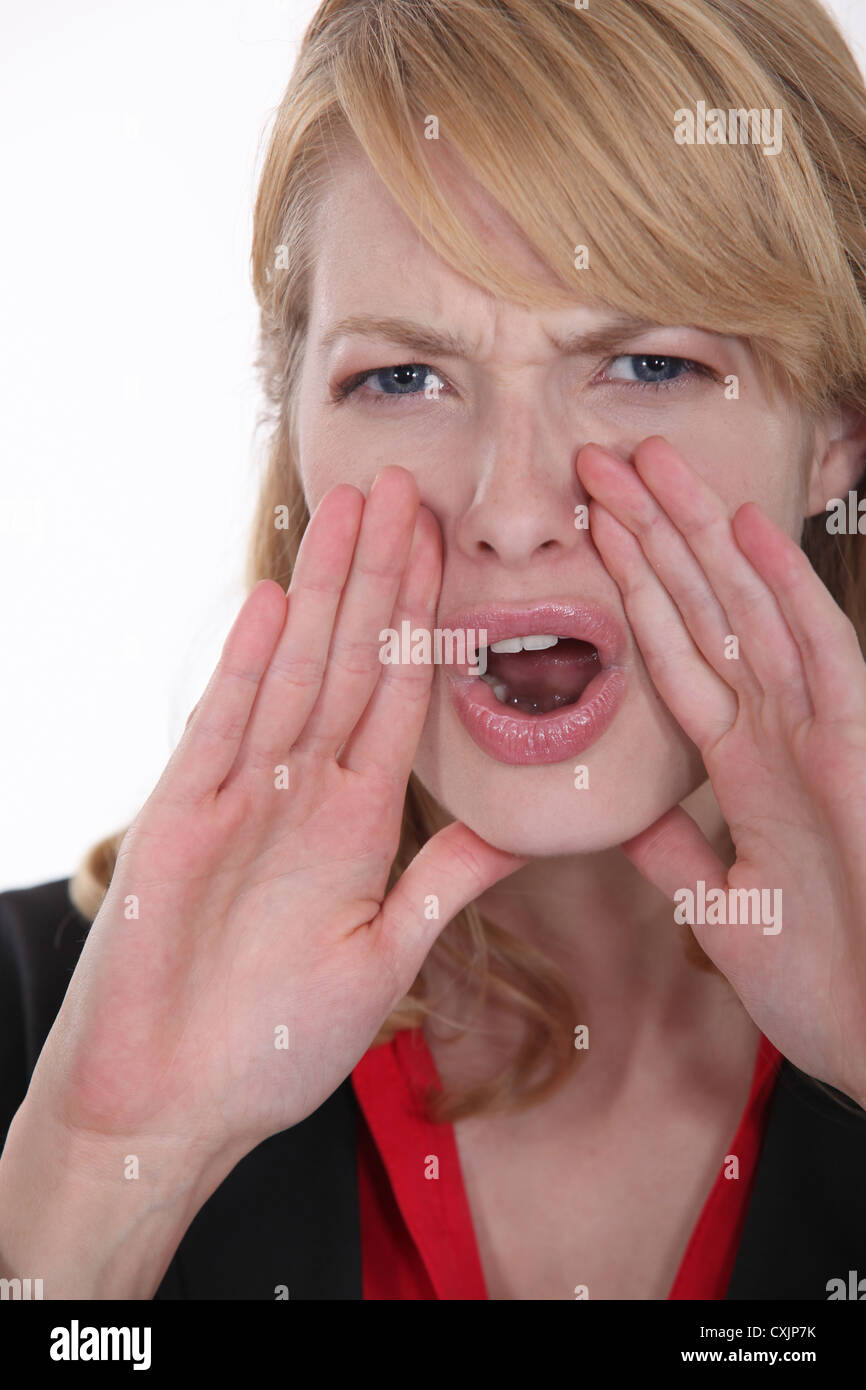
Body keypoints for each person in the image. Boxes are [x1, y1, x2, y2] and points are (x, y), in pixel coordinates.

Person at [3, 0, 866, 1302]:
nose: (512, 510)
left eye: (643, 360)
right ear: (295, 429)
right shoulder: (30, 1033)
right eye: (402, 379)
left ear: (838, 435)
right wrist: (101, 1184)